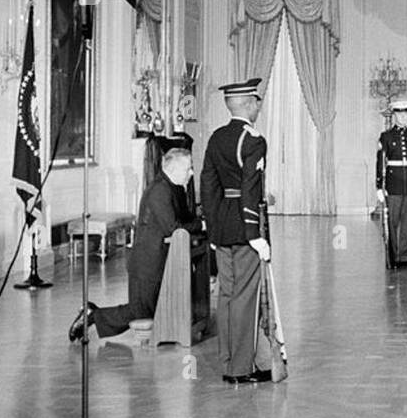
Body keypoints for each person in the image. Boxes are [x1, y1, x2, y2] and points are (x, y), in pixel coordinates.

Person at [70, 147, 202, 342]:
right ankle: (92, 315)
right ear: (174, 168)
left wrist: (199, 222)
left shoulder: (175, 189)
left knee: (151, 310)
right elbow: (173, 228)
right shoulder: (159, 190)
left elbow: (186, 220)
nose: (191, 173)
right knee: (140, 313)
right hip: (147, 266)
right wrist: (203, 224)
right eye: (188, 168)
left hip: (161, 261)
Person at [200, 78, 271, 385]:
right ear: (247, 104)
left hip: (223, 228)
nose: (259, 105)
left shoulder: (216, 137)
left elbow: (208, 185)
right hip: (245, 230)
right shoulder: (253, 140)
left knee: (227, 296)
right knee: (244, 298)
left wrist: (214, 231)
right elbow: (249, 188)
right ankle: (241, 368)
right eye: (256, 101)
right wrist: (255, 235)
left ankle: (229, 360)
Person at [375, 100, 407, 269]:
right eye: (400, 113)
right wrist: (379, 187)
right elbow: (380, 163)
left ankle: (405, 257)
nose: (403, 116)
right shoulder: (386, 136)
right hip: (393, 185)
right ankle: (393, 257)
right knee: (392, 222)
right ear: (395, 115)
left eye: (405, 113)